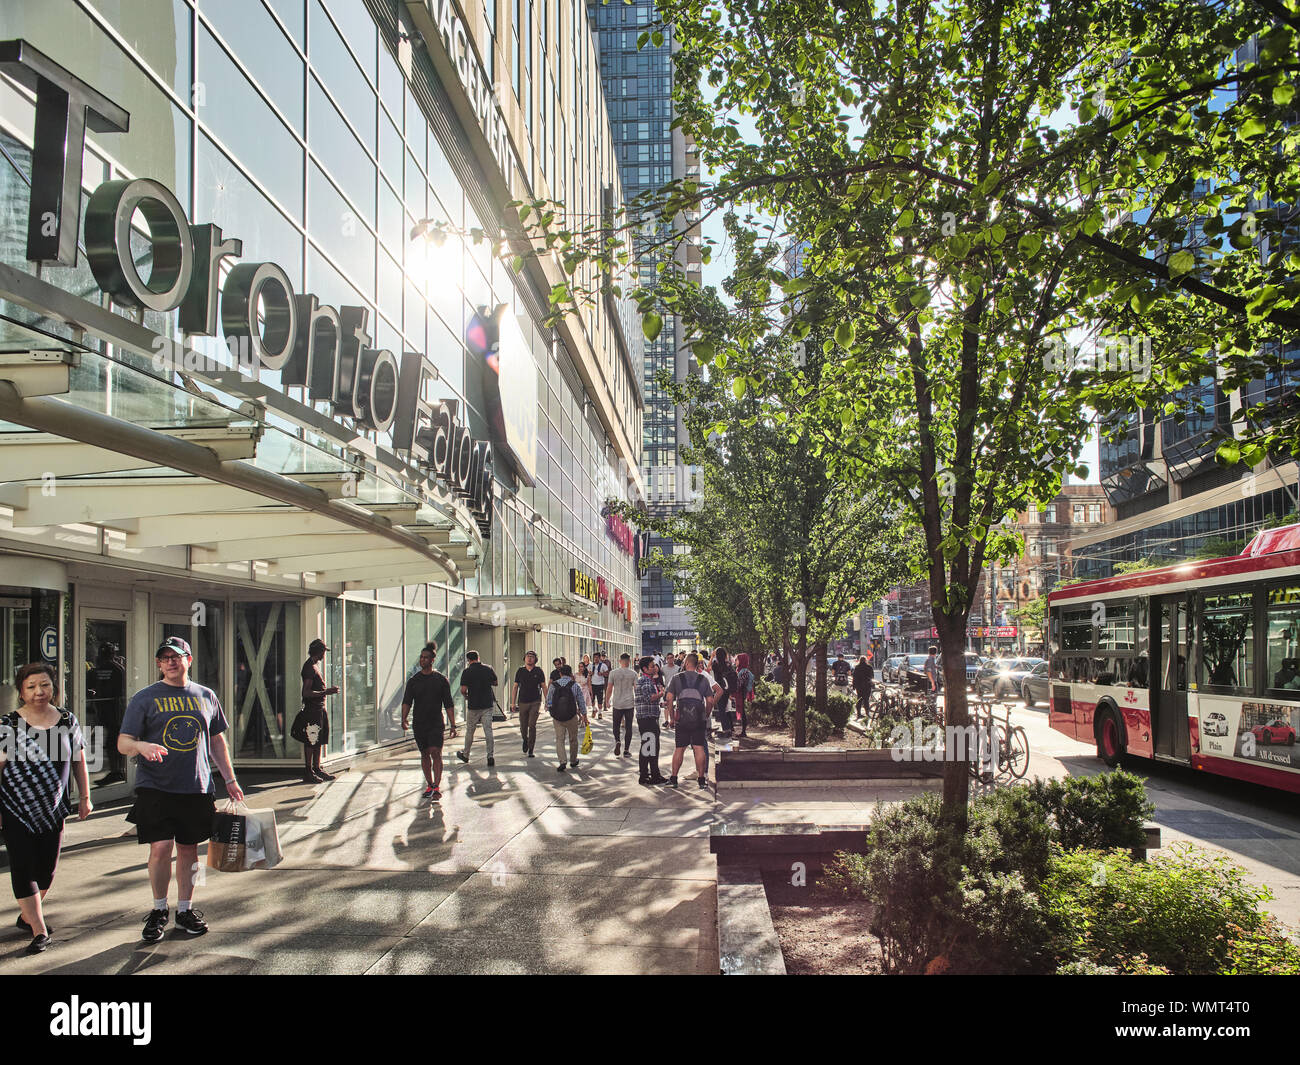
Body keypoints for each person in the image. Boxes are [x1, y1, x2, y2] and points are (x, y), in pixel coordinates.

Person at [119, 636, 243, 943]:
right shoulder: (144, 698)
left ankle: (186, 910)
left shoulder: (205, 695)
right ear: (159, 664)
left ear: (188, 659)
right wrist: (141, 746)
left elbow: (216, 741)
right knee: (161, 848)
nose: (171, 662)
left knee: (189, 850)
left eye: (177, 656)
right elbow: (123, 743)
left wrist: (229, 779)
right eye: (165, 658)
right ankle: (159, 910)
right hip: (156, 786)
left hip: (196, 786)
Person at [0, 663, 92, 953]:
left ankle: (28, 914)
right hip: (15, 808)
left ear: (54, 687)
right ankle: (39, 931)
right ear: (21, 691)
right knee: (22, 867)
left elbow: (78, 761)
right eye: (31, 687)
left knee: (47, 871)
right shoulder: (9, 724)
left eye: (45, 685)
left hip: (53, 809)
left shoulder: (66, 719)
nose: (39, 692)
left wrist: (86, 797)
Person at [402, 643, 456, 799]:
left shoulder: (441, 680)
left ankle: (436, 786)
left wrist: (453, 725)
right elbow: (407, 702)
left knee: (435, 752)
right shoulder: (414, 681)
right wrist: (404, 718)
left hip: (436, 723)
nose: (422, 660)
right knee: (425, 753)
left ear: (433, 660)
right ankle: (429, 784)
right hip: (419, 723)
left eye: (426, 658)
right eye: (421, 657)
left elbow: (449, 704)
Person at [664, 652, 719, 789]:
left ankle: (674, 778)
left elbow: (669, 698)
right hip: (698, 718)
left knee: (679, 749)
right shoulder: (703, 679)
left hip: (681, 719)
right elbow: (710, 700)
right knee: (699, 747)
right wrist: (706, 715)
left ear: (687, 663)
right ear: (696, 664)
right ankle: (701, 780)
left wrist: (671, 718)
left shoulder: (676, 678)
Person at [299, 638, 340, 783]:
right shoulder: (309, 668)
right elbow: (306, 692)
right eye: (324, 651)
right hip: (312, 710)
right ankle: (308, 770)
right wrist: (326, 692)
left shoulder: (314, 666)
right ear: (319, 652)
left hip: (319, 709)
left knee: (319, 739)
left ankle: (317, 768)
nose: (325, 655)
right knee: (312, 739)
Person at [456, 650, 498, 767]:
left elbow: (463, 690)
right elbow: (495, 682)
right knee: (488, 730)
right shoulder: (488, 669)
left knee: (470, 731)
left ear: (468, 660)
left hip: (473, 705)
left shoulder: (467, 672)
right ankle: (490, 756)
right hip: (487, 704)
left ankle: (466, 754)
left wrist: (467, 697)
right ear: (478, 657)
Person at [546, 664, 589, 772]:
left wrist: (552, 711)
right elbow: (581, 702)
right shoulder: (575, 685)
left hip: (557, 718)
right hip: (571, 716)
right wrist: (584, 716)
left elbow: (548, 700)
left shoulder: (553, 685)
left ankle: (562, 761)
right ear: (570, 674)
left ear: (560, 673)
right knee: (573, 739)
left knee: (559, 739)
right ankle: (573, 760)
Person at [635, 656, 667, 784]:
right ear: (645, 668)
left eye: (655, 665)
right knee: (650, 747)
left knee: (649, 747)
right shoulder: (646, 681)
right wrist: (661, 694)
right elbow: (649, 698)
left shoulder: (646, 680)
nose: (655, 668)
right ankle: (649, 775)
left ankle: (649, 774)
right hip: (648, 719)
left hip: (647, 717)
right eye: (652, 666)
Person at [511, 650, 547, 758]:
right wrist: (513, 703)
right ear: (524, 658)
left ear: (535, 659)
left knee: (532, 725)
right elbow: (515, 687)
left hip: (535, 701)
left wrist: (547, 701)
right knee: (523, 726)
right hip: (522, 701)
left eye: (531, 656)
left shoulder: (539, 671)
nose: (529, 658)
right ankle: (525, 740)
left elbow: (544, 686)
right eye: (527, 656)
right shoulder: (520, 671)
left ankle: (531, 748)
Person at [608, 652, 638, 757]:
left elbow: (609, 688)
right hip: (629, 703)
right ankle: (626, 750)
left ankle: (617, 741)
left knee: (616, 725)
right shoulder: (633, 673)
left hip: (617, 703)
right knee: (628, 727)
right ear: (629, 661)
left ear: (620, 661)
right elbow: (636, 688)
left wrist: (607, 701)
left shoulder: (613, 673)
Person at [711, 647, 739, 737]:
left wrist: (712, 657)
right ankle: (730, 727)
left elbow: (708, 668)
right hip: (728, 689)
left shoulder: (715, 664)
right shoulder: (728, 664)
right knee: (726, 709)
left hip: (720, 689)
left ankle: (726, 729)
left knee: (722, 709)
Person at [734, 652, 755, 737]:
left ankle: (743, 732)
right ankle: (743, 731)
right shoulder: (742, 670)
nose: (735, 661)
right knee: (742, 712)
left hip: (742, 694)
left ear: (742, 660)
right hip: (742, 694)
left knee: (743, 713)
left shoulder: (743, 671)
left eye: (737, 659)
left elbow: (740, 684)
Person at [590, 651, 610, 719]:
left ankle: (600, 713)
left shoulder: (603, 665)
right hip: (592, 684)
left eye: (597, 657)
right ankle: (594, 709)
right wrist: (590, 673)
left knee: (599, 700)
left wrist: (602, 674)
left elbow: (607, 673)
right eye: (594, 657)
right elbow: (587, 674)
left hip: (600, 684)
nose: (595, 659)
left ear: (600, 658)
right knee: (592, 699)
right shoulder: (591, 665)